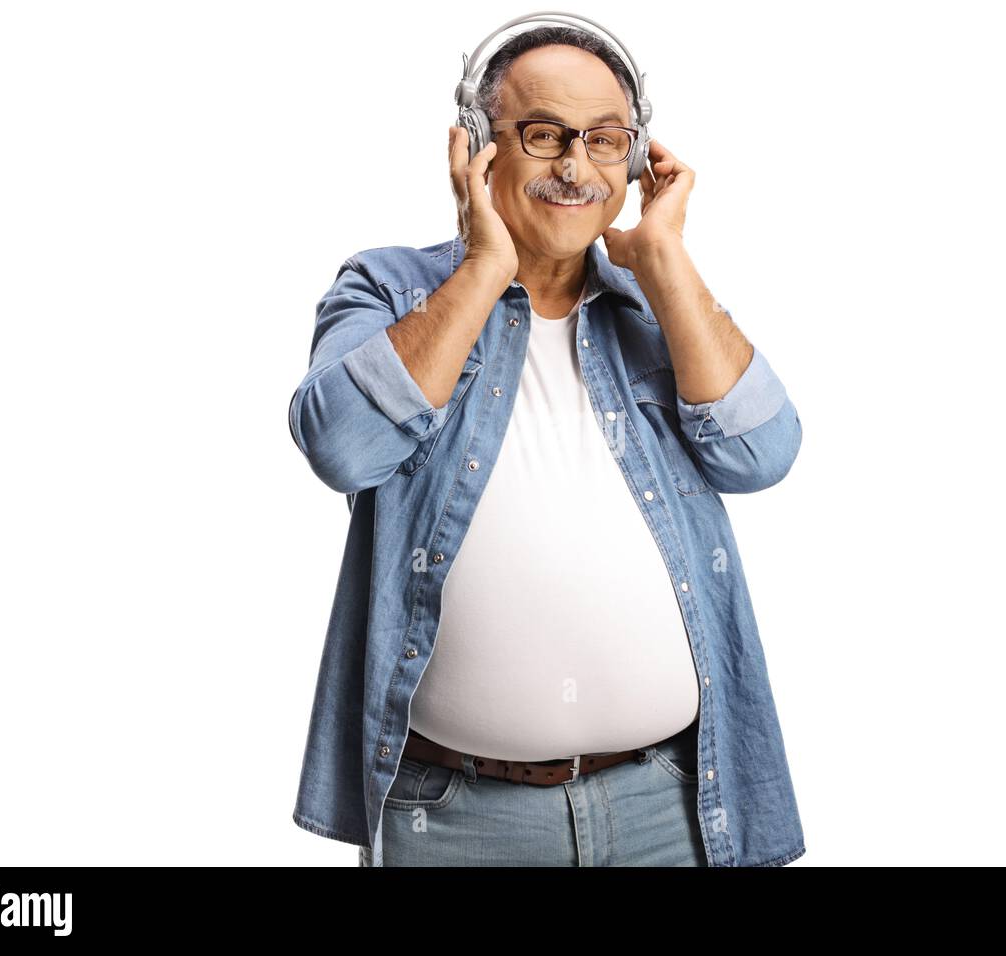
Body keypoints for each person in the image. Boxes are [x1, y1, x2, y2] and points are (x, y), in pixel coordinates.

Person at [288, 18, 807, 867]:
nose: (575, 166)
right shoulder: (388, 288)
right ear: (479, 149)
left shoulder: (659, 308)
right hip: (454, 821)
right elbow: (342, 445)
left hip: (669, 808)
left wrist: (665, 258)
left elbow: (763, 454)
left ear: (636, 160)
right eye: (543, 136)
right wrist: (486, 265)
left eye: (604, 141)